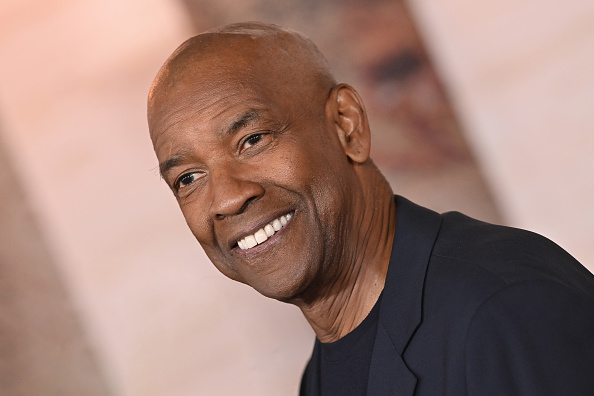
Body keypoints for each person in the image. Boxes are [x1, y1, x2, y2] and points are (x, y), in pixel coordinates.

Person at [147, 22, 594, 395]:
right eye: (188, 178)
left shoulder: (502, 309)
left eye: (253, 140)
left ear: (346, 126)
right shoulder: (320, 381)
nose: (226, 197)